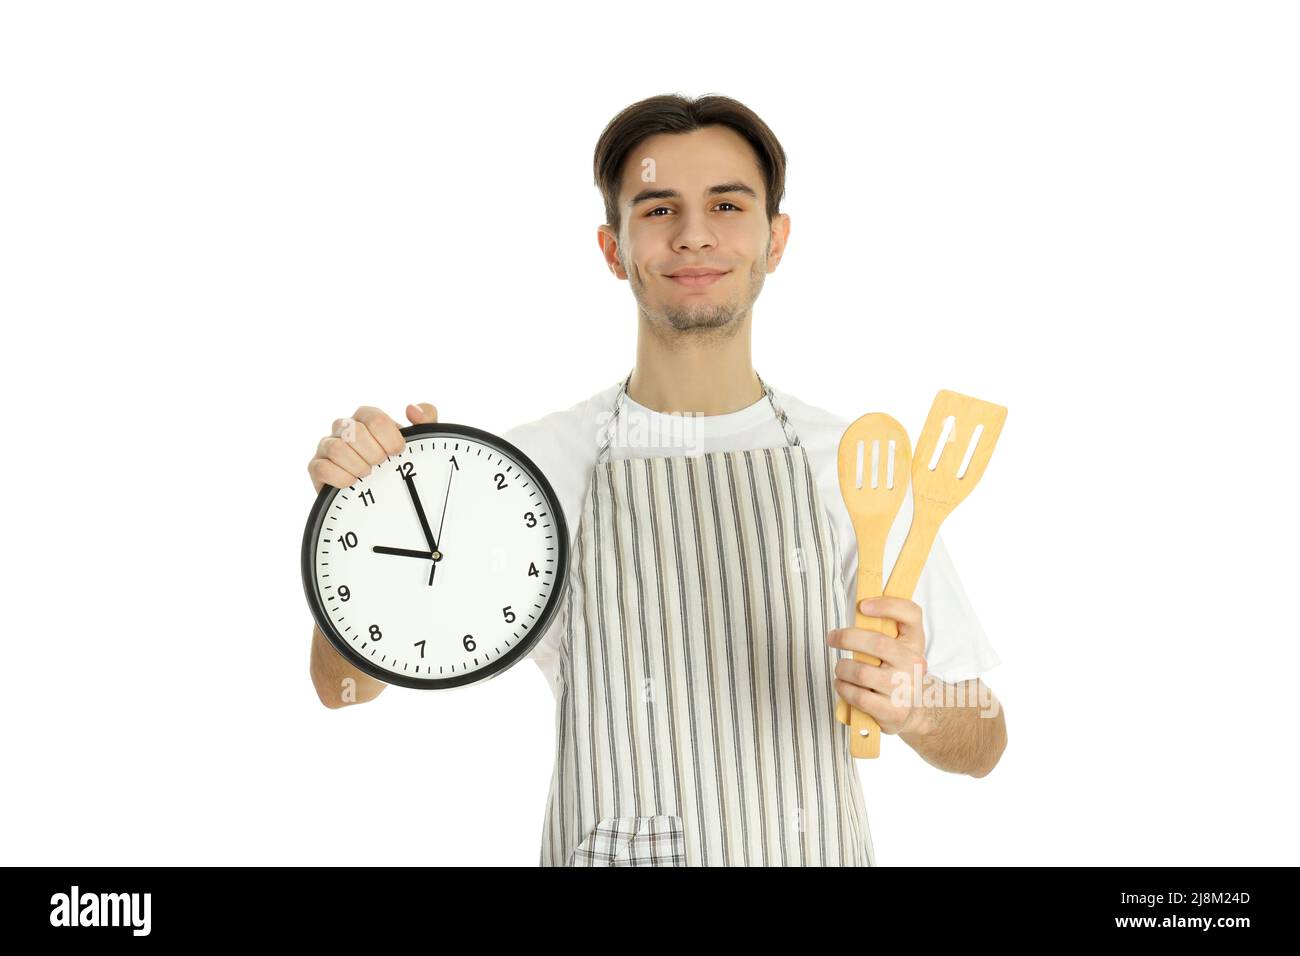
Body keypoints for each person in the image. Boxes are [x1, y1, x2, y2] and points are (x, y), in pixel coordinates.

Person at [305, 93, 1008, 866]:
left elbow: (983, 737)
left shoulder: (857, 465)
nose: (695, 234)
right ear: (614, 248)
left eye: (728, 204)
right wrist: (363, 522)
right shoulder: (531, 472)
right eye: (658, 208)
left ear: (775, 240)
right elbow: (346, 685)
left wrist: (918, 711)